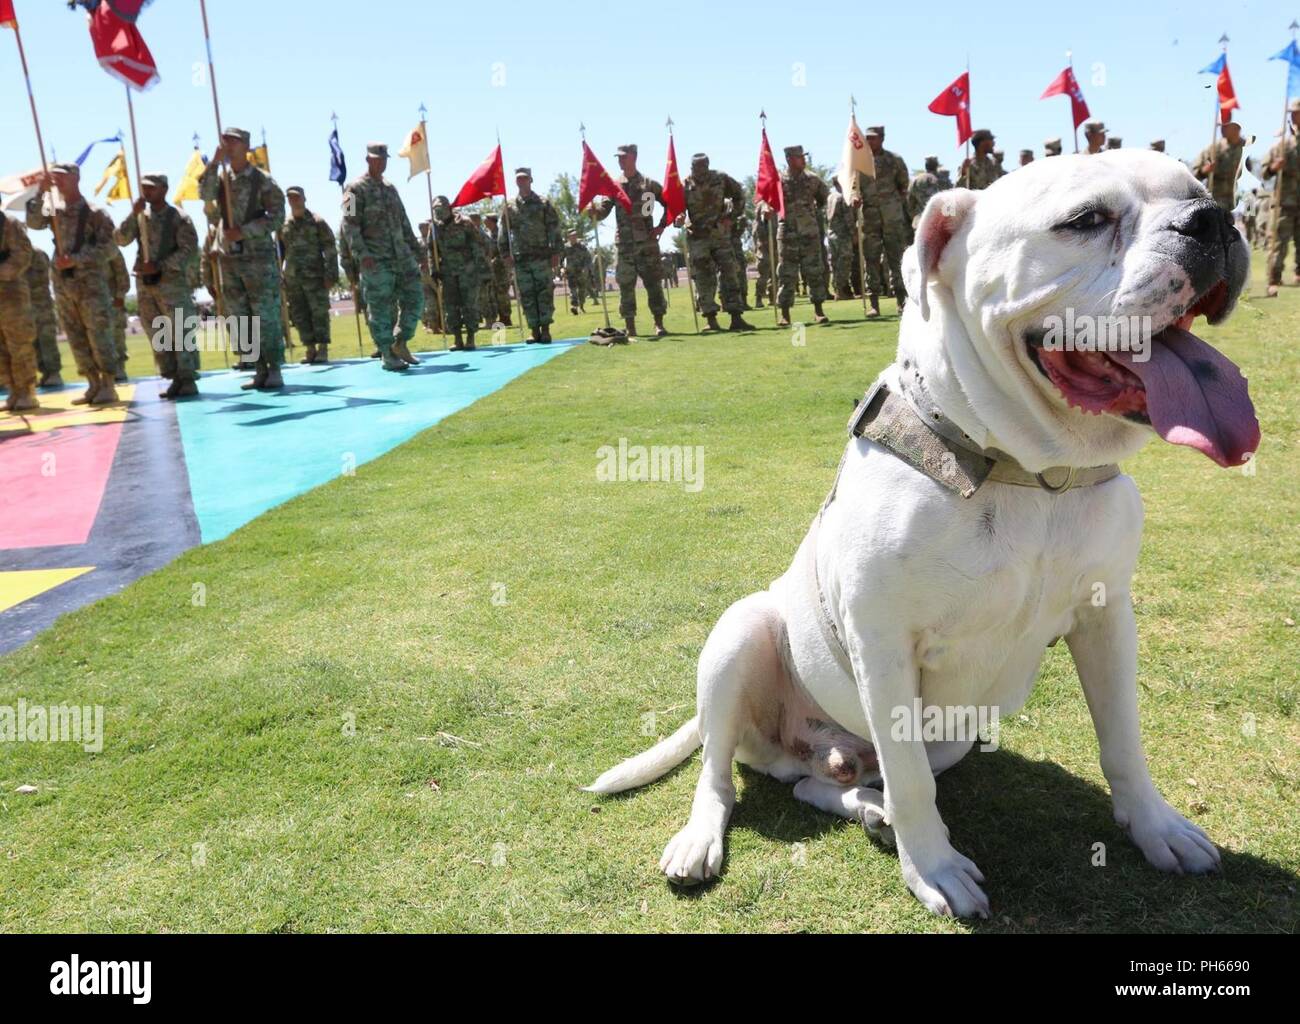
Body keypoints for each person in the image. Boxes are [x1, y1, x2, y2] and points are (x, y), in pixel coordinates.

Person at [199, 126, 288, 388]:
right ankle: (258, 368)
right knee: (239, 317)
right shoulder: (223, 180)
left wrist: (246, 231)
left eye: (233, 141)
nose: (228, 145)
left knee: (265, 316)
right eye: (224, 140)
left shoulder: (263, 181)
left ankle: (274, 368)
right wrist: (214, 163)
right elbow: (204, 194)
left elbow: (278, 217)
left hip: (257, 259)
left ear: (246, 146)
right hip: (230, 260)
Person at [26, 163, 119, 405]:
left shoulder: (95, 212)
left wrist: (76, 260)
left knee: (98, 333)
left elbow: (109, 248)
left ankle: (108, 383)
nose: (57, 180)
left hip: (89, 282)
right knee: (75, 335)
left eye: (61, 176)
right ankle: (92, 383)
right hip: (63, 282)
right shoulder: (54, 210)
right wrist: (40, 192)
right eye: (54, 177)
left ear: (76, 178)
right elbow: (34, 223)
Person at [114, 173, 201, 399]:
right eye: (144, 188)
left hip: (171, 285)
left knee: (180, 330)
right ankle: (173, 377)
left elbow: (189, 250)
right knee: (157, 332)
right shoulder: (141, 217)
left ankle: (188, 378)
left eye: (151, 188)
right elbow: (120, 239)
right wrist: (132, 214)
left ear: (164, 189)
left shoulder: (178, 218)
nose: (147, 192)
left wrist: (161, 266)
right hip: (146, 286)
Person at [340, 142, 426, 370]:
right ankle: (387, 353)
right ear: (367, 160)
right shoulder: (353, 189)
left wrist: (418, 252)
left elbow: (404, 222)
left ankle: (401, 342)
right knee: (379, 307)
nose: (381, 163)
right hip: (375, 259)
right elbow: (349, 225)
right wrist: (362, 254)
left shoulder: (390, 188)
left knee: (416, 298)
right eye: (376, 159)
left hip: (401, 256)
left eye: (384, 159)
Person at [589, 144, 669, 338]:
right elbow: (603, 212)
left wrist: (661, 226)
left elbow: (670, 204)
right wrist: (592, 211)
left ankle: (658, 324)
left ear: (634, 157)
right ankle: (630, 327)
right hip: (624, 245)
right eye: (618, 157)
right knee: (625, 286)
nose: (620, 160)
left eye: (623, 157)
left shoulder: (649, 184)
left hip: (647, 244)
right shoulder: (614, 186)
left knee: (653, 284)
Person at [680, 153, 754, 332]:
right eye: (694, 167)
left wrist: (731, 217)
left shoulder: (720, 178)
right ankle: (710, 319)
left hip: (720, 234)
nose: (698, 171)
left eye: (701, 167)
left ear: (707, 165)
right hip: (697, 236)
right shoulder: (685, 184)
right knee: (703, 277)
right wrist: (679, 216)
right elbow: (677, 208)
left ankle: (736, 317)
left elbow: (739, 195)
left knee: (730, 273)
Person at [499, 167, 562, 343]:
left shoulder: (543, 203)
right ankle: (534, 330)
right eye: (519, 179)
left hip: (542, 257)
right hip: (521, 258)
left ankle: (546, 329)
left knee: (544, 293)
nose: (522, 181)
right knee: (526, 295)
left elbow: (554, 228)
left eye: (525, 178)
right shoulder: (509, 206)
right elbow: (503, 232)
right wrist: (505, 254)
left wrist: (556, 251)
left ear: (531, 180)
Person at [280, 186, 339, 365]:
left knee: (319, 312)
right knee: (299, 314)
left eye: (297, 197)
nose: (294, 201)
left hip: (315, 276)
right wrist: (279, 274)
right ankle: (310, 348)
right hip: (293, 278)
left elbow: (329, 248)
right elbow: (279, 252)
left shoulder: (316, 221)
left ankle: (322, 349)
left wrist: (331, 274)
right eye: (290, 198)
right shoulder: (283, 224)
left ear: (304, 198)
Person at [775, 145, 830, 326]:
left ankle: (819, 311)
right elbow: (767, 201)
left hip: (809, 232)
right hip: (787, 233)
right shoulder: (779, 180)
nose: (803, 159)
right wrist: (767, 210)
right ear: (790, 159)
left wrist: (812, 215)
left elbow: (825, 198)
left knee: (814, 271)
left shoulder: (813, 179)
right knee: (787, 274)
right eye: (799, 157)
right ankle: (784, 314)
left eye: (803, 156)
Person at [858, 126, 911, 313]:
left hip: (892, 218)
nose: (870, 141)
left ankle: (901, 300)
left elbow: (904, 185)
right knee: (871, 259)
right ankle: (873, 303)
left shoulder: (894, 160)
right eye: (868, 138)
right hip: (870, 219)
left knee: (896, 258)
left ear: (882, 139)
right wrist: (855, 197)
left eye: (873, 138)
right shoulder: (860, 162)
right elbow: (852, 186)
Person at [429, 194, 487, 350]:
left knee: (469, 304)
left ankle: (470, 337)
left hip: (467, 270)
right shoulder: (434, 227)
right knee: (450, 306)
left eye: (440, 209)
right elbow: (431, 250)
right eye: (435, 210)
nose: (437, 213)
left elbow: (478, 245)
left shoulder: (464, 222)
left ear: (449, 208)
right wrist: (433, 270)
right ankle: (457, 338)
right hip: (447, 273)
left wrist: (480, 268)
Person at [1261, 98, 1300, 298]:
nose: (1295, 116)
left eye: (1297, 112)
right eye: (1293, 113)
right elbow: (1264, 172)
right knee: (1277, 244)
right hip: (1284, 203)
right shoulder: (1283, 145)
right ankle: (1273, 280)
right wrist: (1274, 167)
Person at [0, 211, 39, 411]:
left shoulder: (9, 223)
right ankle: (12, 390)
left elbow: (23, 254)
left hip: (11, 292)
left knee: (19, 343)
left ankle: (26, 391)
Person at [26, 247, 62, 388]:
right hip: (22, 306)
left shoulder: (36, 253)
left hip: (40, 305)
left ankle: (53, 373)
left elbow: (40, 279)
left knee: (46, 341)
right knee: (30, 344)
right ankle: (42, 375)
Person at [1194, 120, 1245, 212]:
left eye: (1226, 127)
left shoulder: (1242, 148)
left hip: (1233, 200)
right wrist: (1205, 170)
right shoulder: (1213, 149)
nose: (1223, 130)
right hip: (1214, 199)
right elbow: (1195, 173)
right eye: (1222, 127)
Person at [825, 178, 856, 300]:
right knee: (844, 263)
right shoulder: (843, 197)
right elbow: (848, 218)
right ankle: (841, 290)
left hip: (831, 233)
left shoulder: (830, 197)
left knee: (835, 263)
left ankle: (838, 288)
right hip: (842, 234)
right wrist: (853, 233)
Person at [482, 213, 512, 327]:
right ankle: (500, 316)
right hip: (492, 269)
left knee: (502, 293)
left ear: (492, 221)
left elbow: (505, 250)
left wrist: (496, 260)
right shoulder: (488, 234)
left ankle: (506, 317)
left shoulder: (501, 233)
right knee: (494, 294)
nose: (485, 222)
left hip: (501, 268)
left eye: (486, 220)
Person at [106, 245, 130, 382]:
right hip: (90, 297)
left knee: (117, 335)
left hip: (112, 297)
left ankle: (119, 367)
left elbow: (121, 273)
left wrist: (120, 295)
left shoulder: (108, 246)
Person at [906, 156, 948, 230]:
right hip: (940, 223)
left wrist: (914, 217)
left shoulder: (916, 181)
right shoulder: (944, 181)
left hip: (921, 222)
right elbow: (950, 204)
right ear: (937, 165)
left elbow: (909, 203)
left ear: (926, 166)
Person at [561, 230, 594, 313]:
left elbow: (588, 259)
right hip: (570, 272)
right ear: (568, 237)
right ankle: (574, 306)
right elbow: (561, 259)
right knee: (573, 290)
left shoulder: (582, 247)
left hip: (581, 272)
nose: (574, 237)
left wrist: (586, 268)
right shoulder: (565, 247)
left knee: (582, 291)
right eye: (572, 236)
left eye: (575, 235)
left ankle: (581, 305)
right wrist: (562, 269)